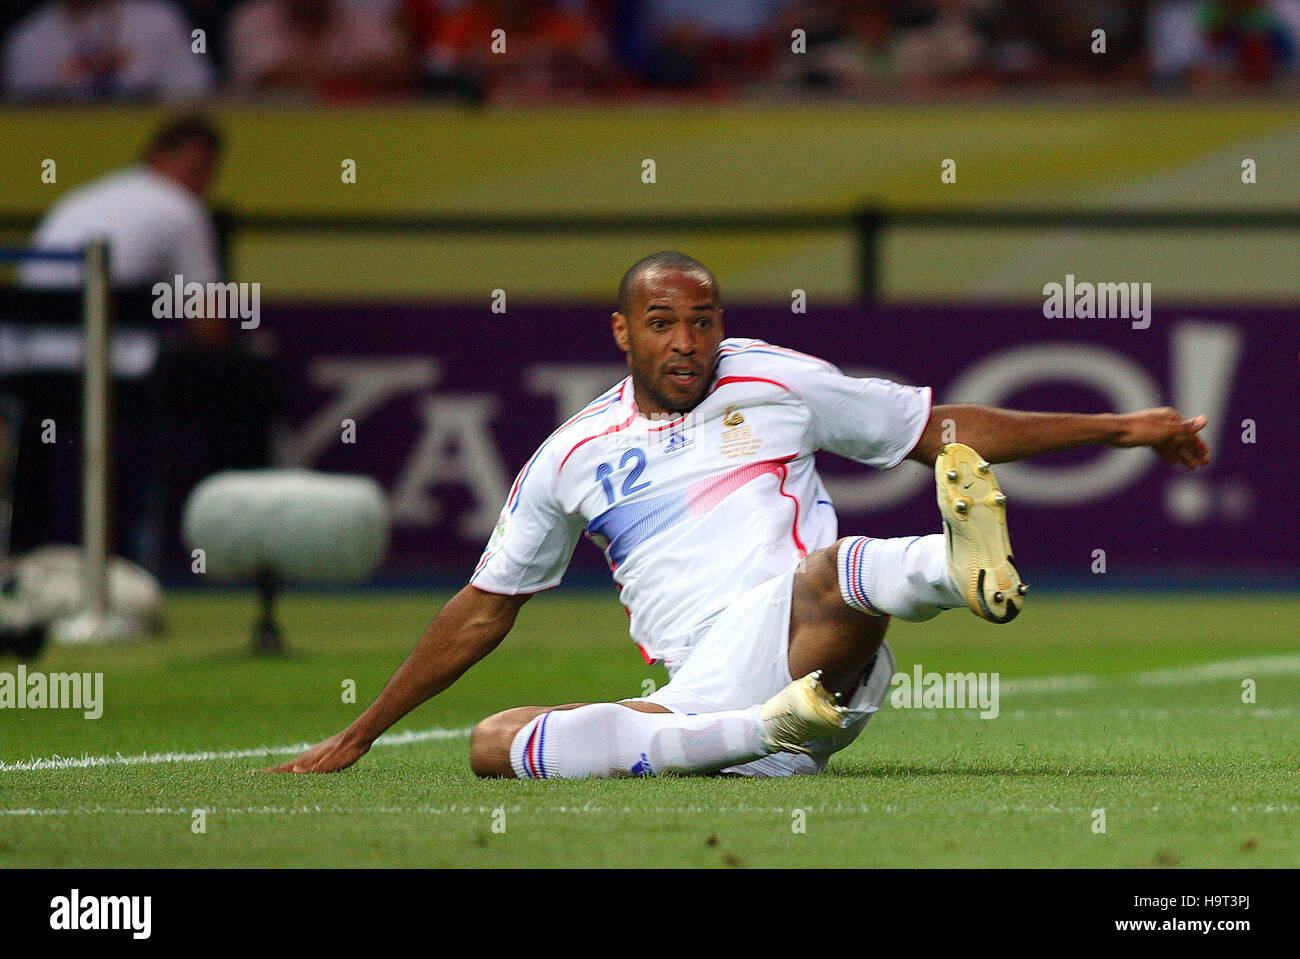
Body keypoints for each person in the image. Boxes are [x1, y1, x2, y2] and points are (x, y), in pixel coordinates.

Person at [267, 251, 1210, 779]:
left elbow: (940, 428)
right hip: (721, 695)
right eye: (665, 321)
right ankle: (762, 732)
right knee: (493, 744)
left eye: (705, 319)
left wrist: (1121, 425)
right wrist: (360, 734)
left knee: (825, 567)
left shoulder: (773, 378)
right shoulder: (569, 454)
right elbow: (483, 608)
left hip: (815, 631)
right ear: (622, 332)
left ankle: (949, 566)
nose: (689, 341)